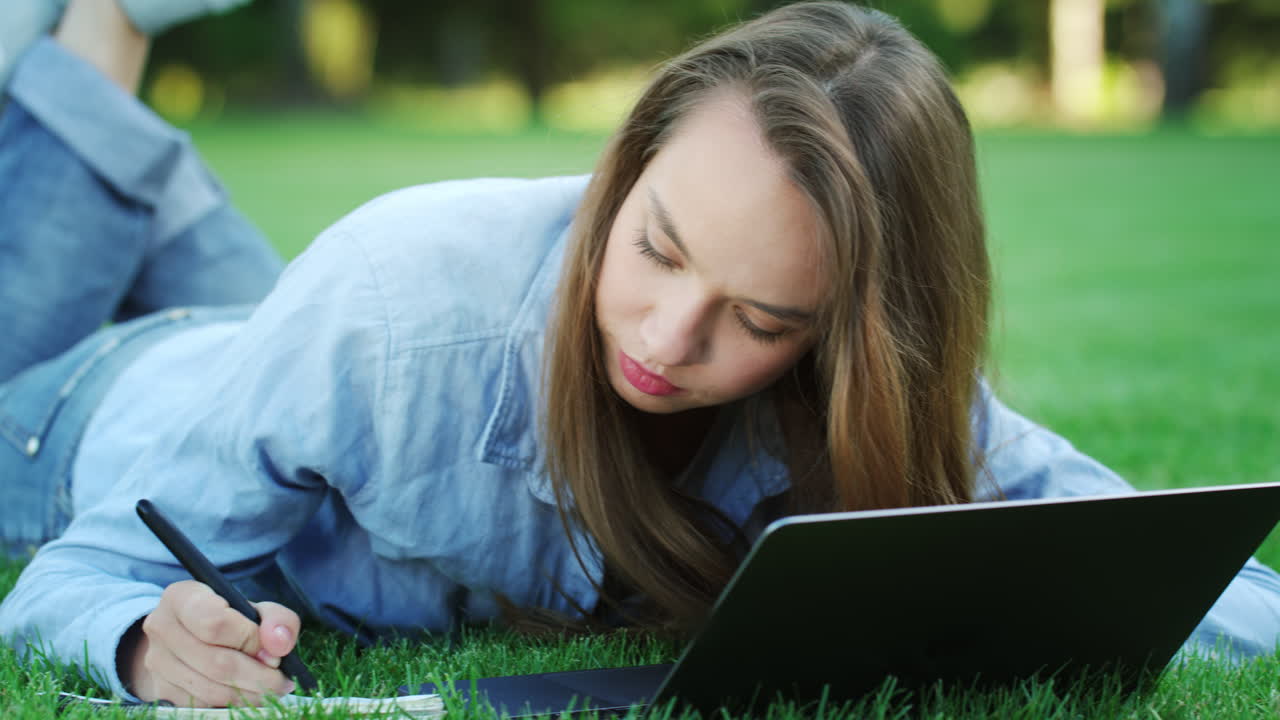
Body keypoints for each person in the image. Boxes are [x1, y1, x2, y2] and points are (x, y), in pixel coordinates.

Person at [1, 0, 1277, 709]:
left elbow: (1113, 535)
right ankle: (103, 25)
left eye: (763, 321)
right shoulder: (393, 300)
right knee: (98, 171)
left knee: (159, 201)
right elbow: (83, 568)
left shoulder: (852, 378)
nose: (668, 343)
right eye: (656, 249)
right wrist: (136, 642)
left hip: (270, 339)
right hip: (82, 412)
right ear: (621, 173)